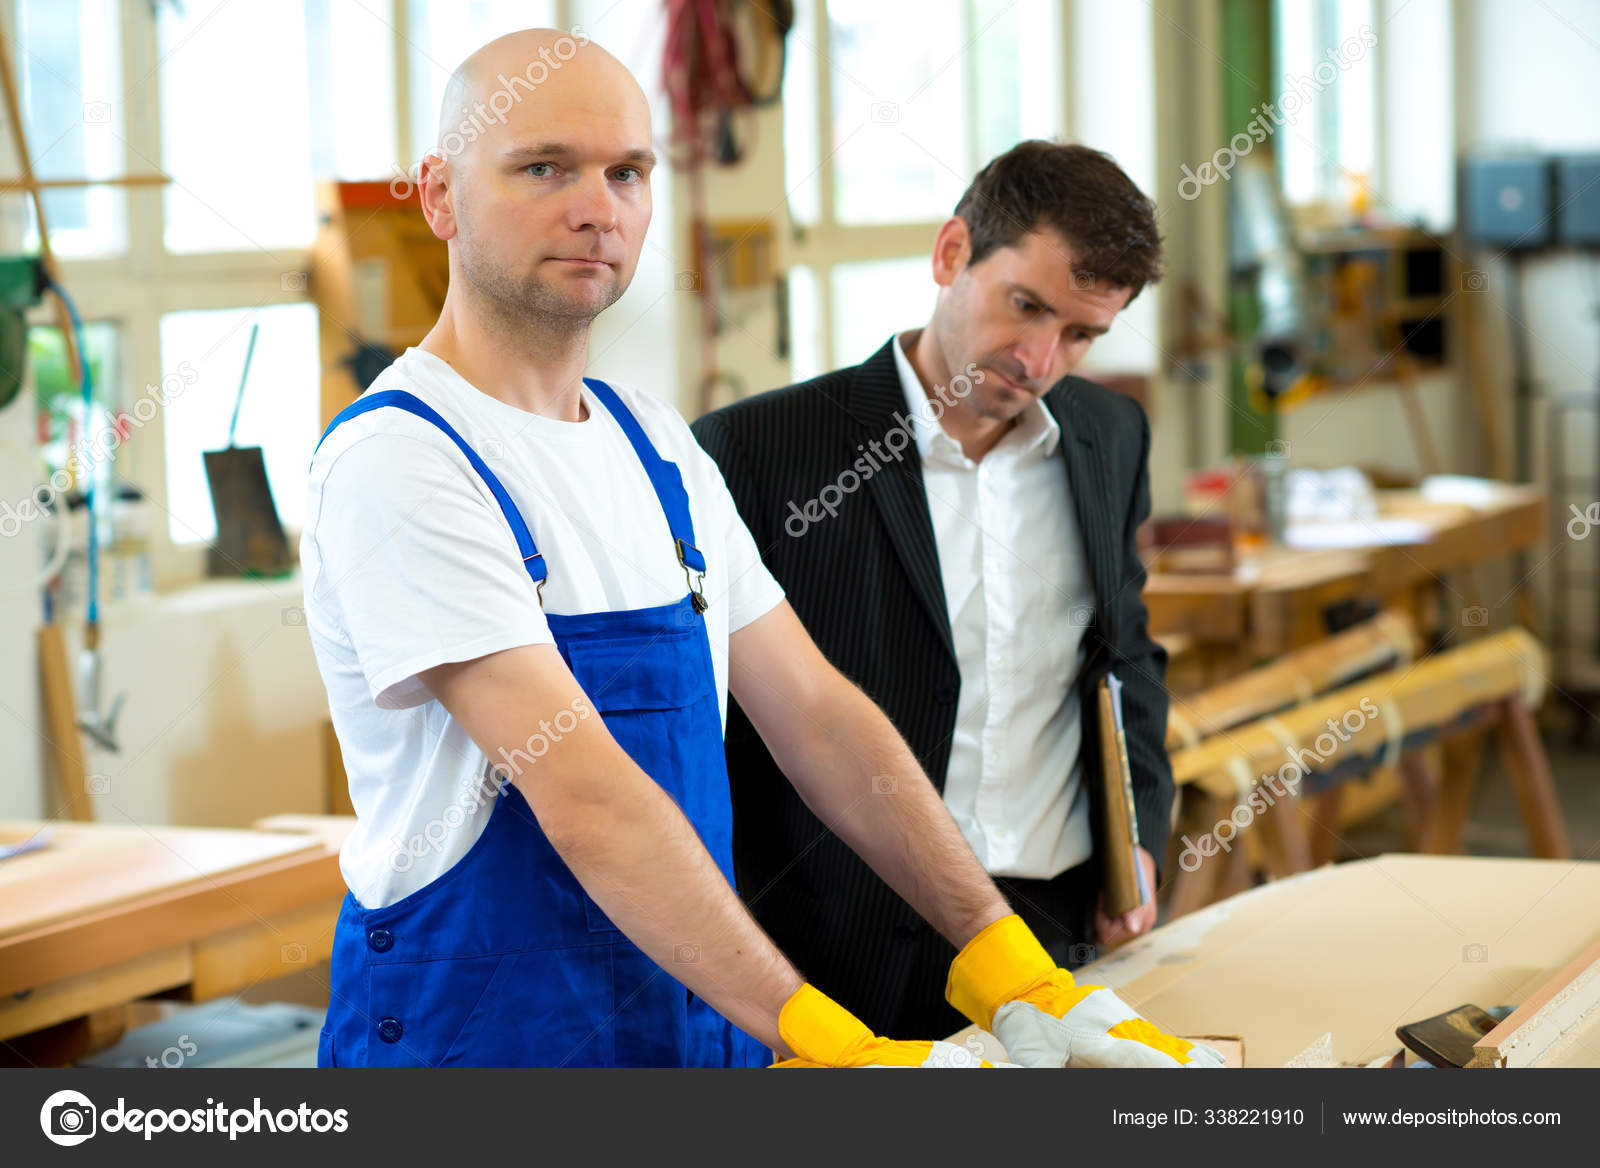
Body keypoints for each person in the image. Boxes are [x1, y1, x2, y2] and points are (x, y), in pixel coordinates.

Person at [303, 31, 1216, 1069]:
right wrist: (825, 1034)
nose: (597, 208)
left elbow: (819, 716)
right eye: (544, 167)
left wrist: (1008, 962)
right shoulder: (403, 458)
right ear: (439, 195)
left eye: (626, 173)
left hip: (692, 1014)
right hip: (486, 1045)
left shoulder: (654, 444)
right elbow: (587, 797)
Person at [693, 141, 1176, 1039]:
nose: (1040, 359)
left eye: (1081, 335)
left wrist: (1137, 838)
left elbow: (1128, 658)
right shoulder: (756, 452)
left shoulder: (1111, 435)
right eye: (1026, 306)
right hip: (834, 937)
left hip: (1053, 920)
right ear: (952, 253)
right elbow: (707, 720)